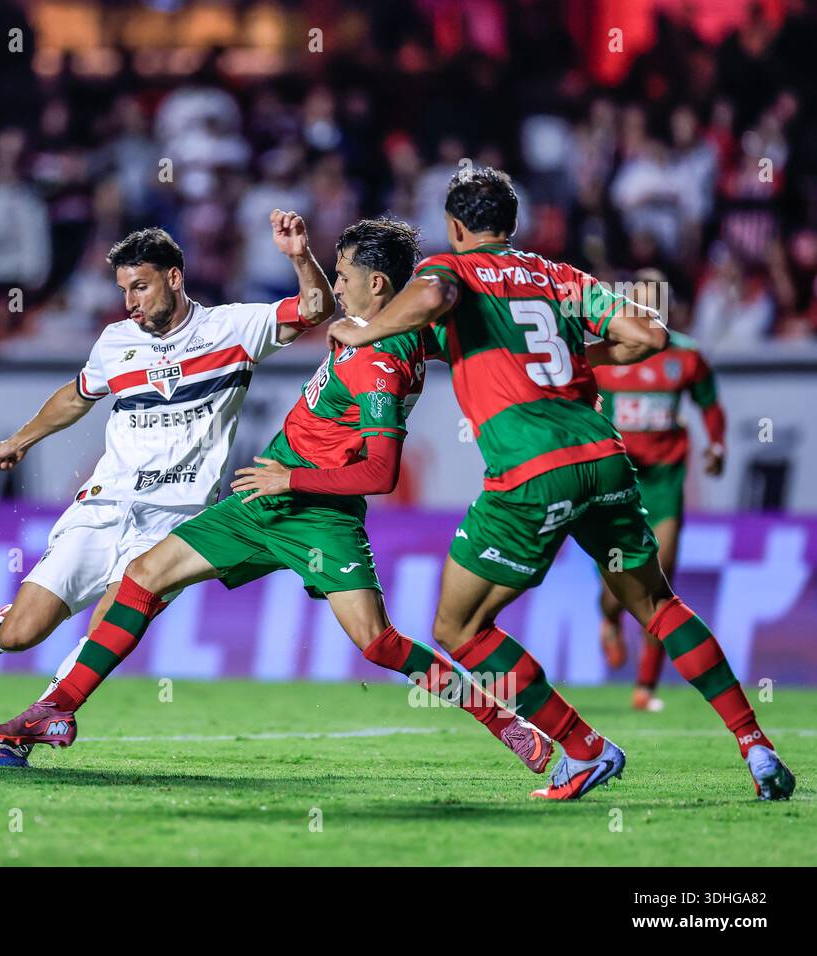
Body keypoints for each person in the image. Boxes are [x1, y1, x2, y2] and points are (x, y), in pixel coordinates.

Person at [0, 218, 556, 778]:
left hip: (314, 509)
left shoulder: (379, 361)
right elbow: (439, 327)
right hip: (263, 501)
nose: (339, 283)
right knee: (144, 575)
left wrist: (291, 481)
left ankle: (505, 720)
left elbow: (381, 473)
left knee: (379, 644)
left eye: (344, 272)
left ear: (376, 285)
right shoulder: (380, 332)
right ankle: (57, 710)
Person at [325, 167, 793, 801]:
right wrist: (579, 359)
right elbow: (649, 335)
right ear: (512, 224)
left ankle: (584, 747)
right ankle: (755, 745)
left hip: (531, 469)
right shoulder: (561, 276)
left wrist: (363, 328)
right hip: (604, 457)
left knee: (457, 630)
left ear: (456, 227)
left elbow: (431, 300)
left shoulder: (452, 271)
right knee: (657, 605)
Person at [0, 215, 335, 767]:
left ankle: (37, 722)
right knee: (24, 633)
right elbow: (77, 397)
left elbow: (315, 309)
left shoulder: (233, 328)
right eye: (123, 290)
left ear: (175, 276)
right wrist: (21, 439)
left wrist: (298, 256)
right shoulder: (116, 342)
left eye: (139, 287)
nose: (130, 303)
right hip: (103, 506)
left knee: (108, 625)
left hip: (175, 523)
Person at [592, 272, 725, 711]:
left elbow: (709, 404)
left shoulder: (684, 356)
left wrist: (717, 445)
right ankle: (608, 620)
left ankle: (645, 687)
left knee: (660, 579)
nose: (647, 313)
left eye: (654, 304)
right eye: (638, 304)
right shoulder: (609, 355)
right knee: (619, 590)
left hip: (665, 482)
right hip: (618, 482)